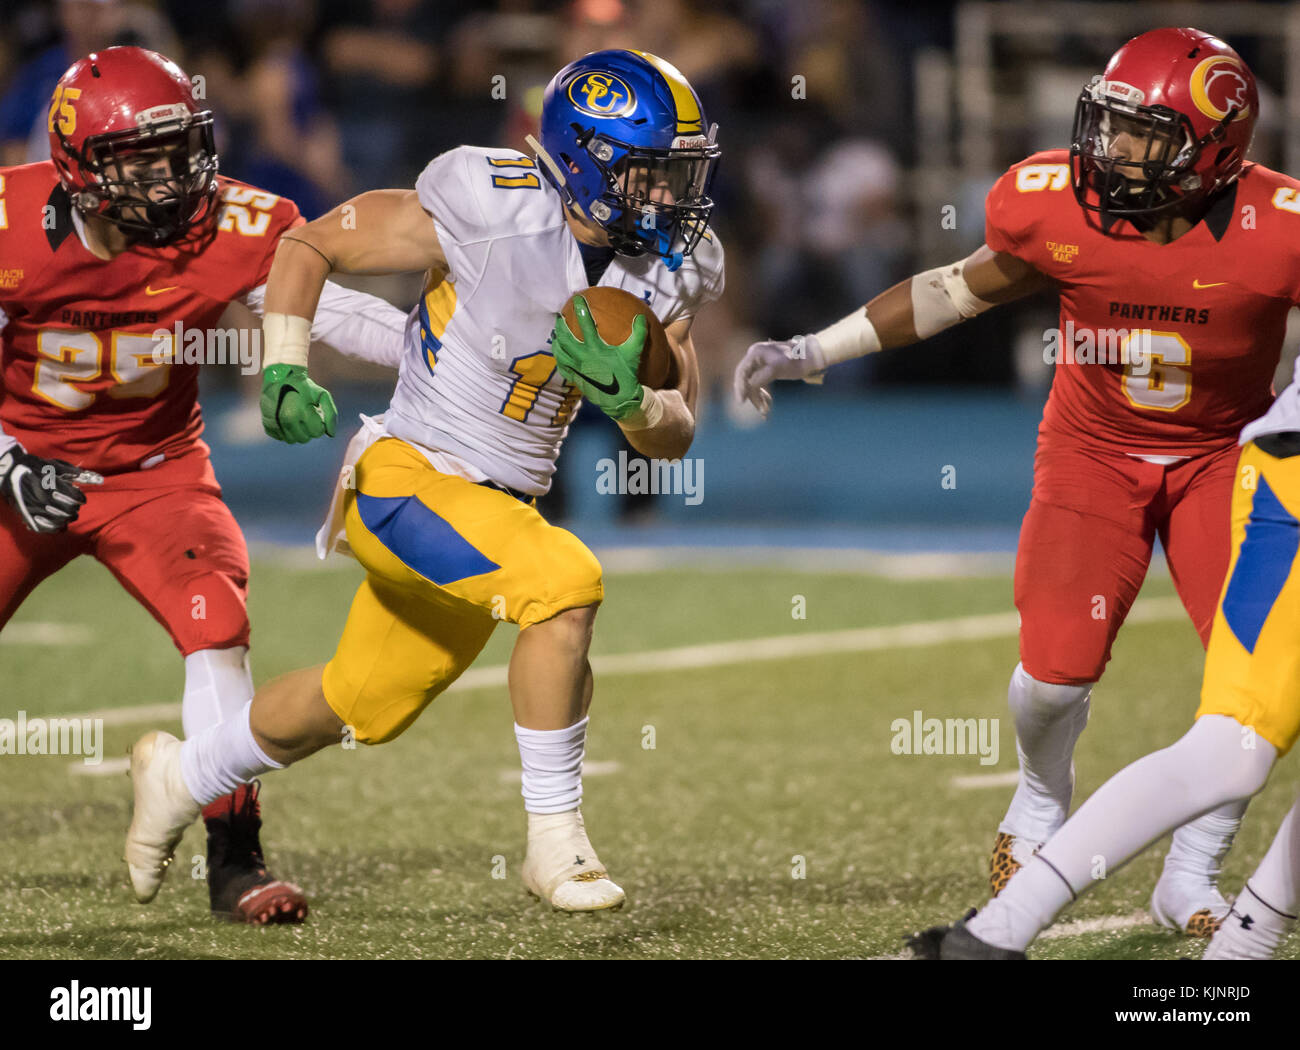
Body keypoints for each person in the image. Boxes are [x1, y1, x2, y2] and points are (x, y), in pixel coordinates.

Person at [122, 48, 724, 913]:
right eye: (653, 173)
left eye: (682, 172)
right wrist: (287, 365)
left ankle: (180, 775)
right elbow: (308, 242)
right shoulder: (489, 204)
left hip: (491, 509)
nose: (674, 195)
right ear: (587, 162)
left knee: (357, 700)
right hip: (406, 476)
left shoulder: (680, 260)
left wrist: (634, 406)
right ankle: (557, 847)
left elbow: (678, 431)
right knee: (566, 584)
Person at [733, 27, 1289, 936]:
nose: (1110, 153)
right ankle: (1036, 801)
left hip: (1223, 458)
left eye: (1143, 137)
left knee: (1256, 685)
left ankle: (1192, 872)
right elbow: (954, 289)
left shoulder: (1280, 229)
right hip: (1093, 450)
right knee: (1056, 677)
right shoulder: (1056, 204)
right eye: (1107, 125)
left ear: (1214, 151)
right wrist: (813, 350)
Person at [0, 46, 408, 923]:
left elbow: (332, 312)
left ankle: (236, 855)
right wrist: (10, 463)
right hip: (20, 464)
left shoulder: (227, 225)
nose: (174, 177)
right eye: (145, 160)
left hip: (154, 473)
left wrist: (452, 359)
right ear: (81, 165)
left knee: (217, 622)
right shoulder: (8, 223)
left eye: (182, 149)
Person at [911, 354, 1300, 959]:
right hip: (1293, 479)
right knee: (1234, 746)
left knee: (1235, 752)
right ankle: (997, 929)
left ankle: (1243, 940)